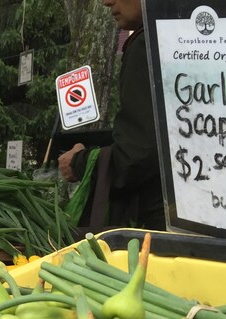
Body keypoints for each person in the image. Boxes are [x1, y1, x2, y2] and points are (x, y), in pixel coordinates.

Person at [58, 0, 164, 231]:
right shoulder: (201, 38)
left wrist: (80, 163)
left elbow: (136, 158)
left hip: (162, 232)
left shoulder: (147, 44)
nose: (107, 2)